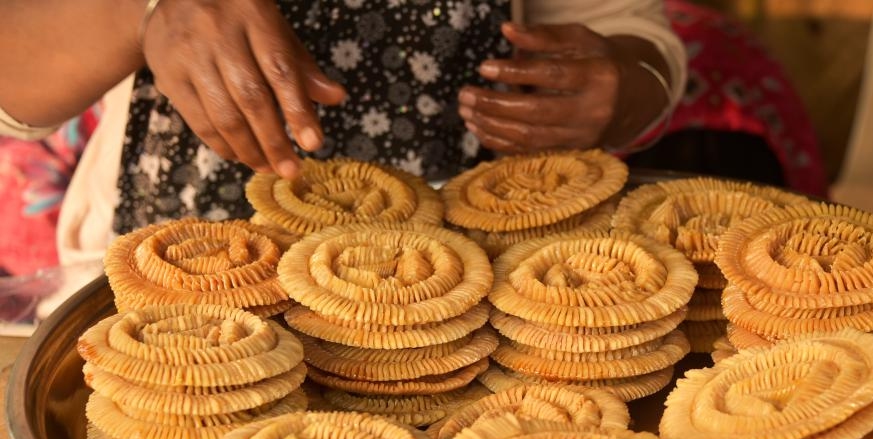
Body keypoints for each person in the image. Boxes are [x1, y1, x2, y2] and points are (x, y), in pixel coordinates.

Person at [0, 0, 686, 275]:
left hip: (473, 288)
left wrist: (617, 87)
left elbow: (641, 47)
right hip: (165, 287)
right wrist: (143, 13)